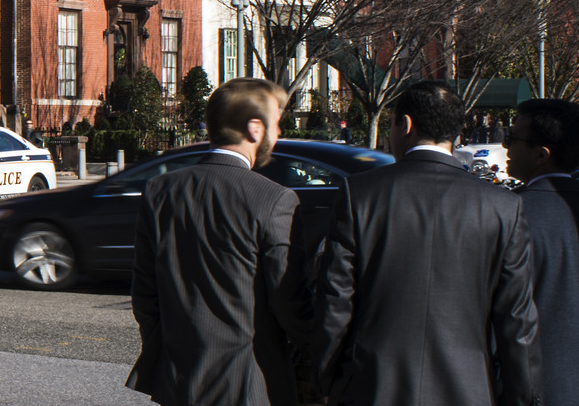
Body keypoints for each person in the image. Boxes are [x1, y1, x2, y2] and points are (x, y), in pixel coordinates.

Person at [312, 79, 538, 406]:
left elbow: (335, 299)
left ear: (405, 125)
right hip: (469, 388)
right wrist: (521, 396)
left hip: (371, 385)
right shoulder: (503, 207)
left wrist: (327, 380)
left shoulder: (359, 194)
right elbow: (516, 321)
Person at [128, 77, 309, 406]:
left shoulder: (160, 190)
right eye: (276, 123)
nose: (279, 133)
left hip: (178, 380)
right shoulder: (274, 199)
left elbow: (145, 294)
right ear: (255, 128)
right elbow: (289, 302)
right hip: (248, 382)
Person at [508, 97, 579, 406]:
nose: (506, 147)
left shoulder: (511, 213)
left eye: (512, 138)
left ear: (541, 154)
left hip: (537, 386)